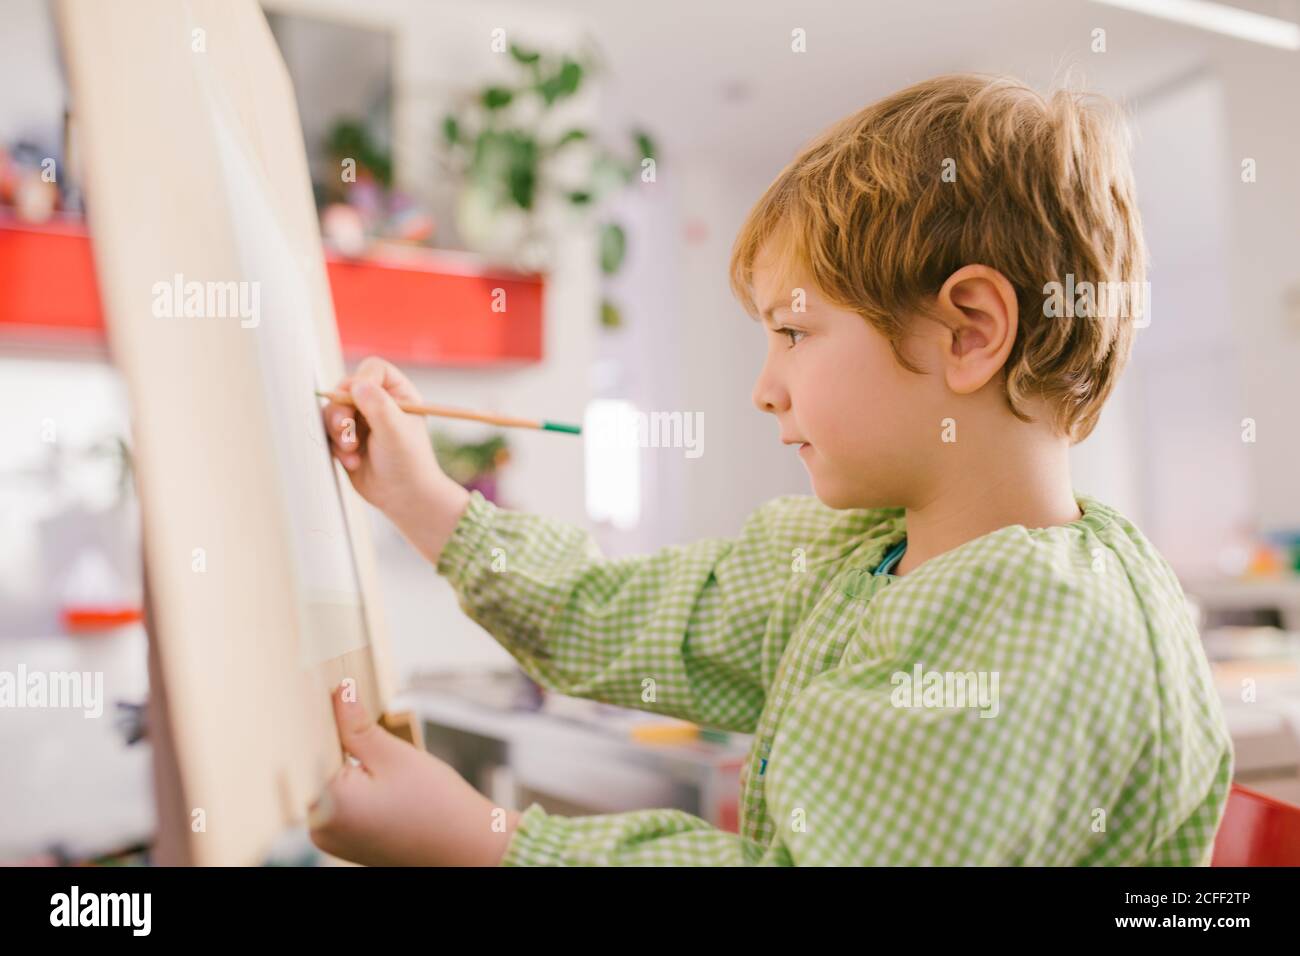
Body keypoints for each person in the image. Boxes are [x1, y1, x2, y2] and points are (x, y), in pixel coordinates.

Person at [307, 73, 1232, 866]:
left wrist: (486, 841)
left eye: (793, 333)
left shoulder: (1046, 628)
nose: (765, 388)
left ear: (970, 334)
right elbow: (617, 617)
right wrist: (421, 498)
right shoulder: (866, 552)